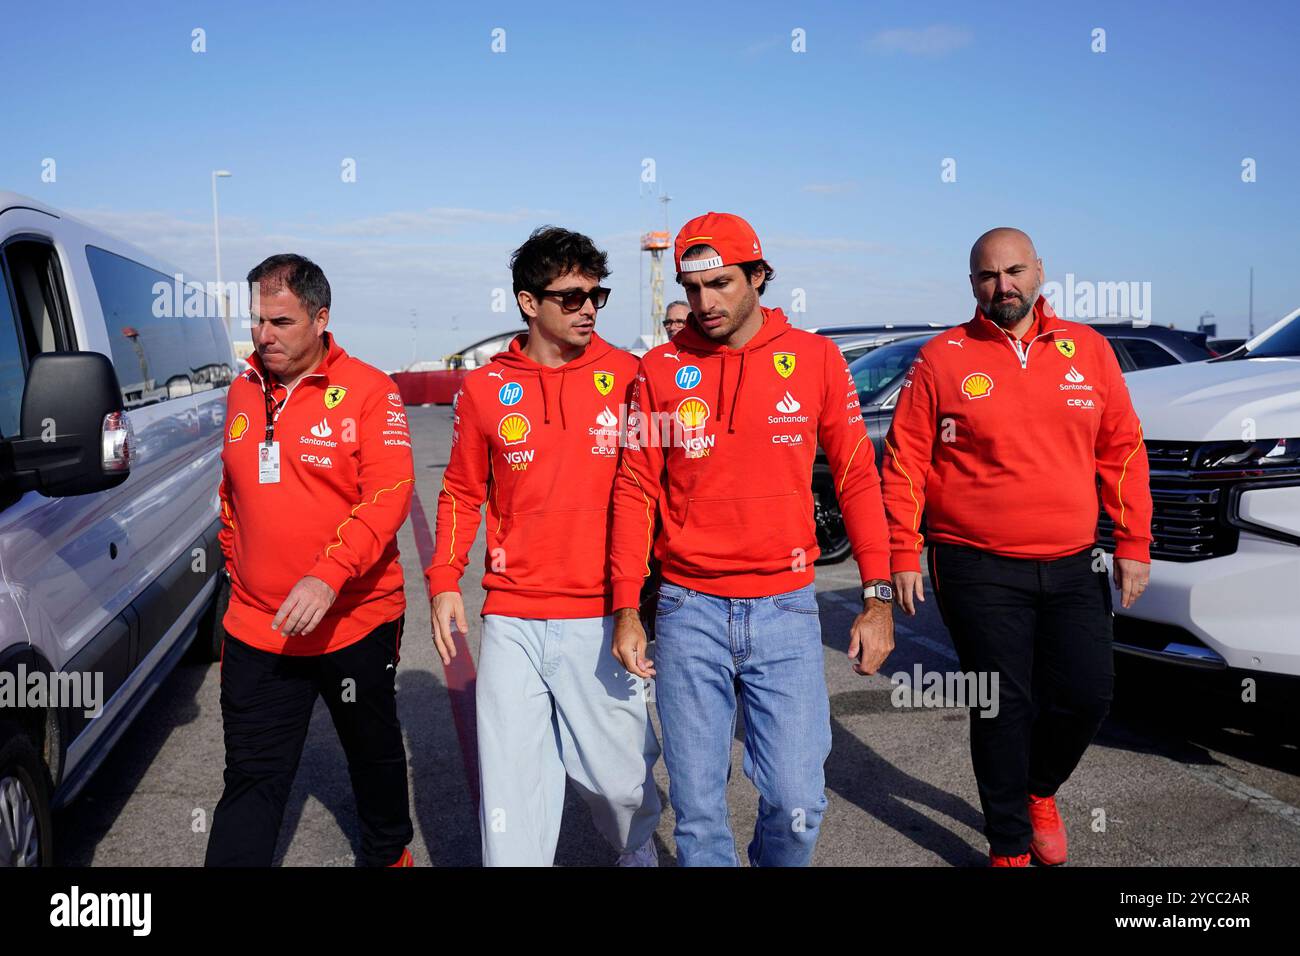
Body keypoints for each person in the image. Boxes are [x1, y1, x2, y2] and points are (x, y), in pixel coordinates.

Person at [610, 211, 895, 866]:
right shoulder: (657, 370)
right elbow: (634, 492)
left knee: (799, 802)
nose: (705, 302)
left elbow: (856, 479)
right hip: (687, 612)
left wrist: (877, 599)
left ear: (759, 276)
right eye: (692, 286)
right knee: (699, 809)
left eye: (721, 283)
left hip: (787, 611)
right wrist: (628, 607)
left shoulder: (817, 359)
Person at [882, 227, 1153, 866]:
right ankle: (1008, 845)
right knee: (1002, 704)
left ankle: (1039, 791)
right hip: (974, 562)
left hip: (1073, 559)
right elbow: (905, 460)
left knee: (1088, 694)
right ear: (971, 283)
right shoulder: (942, 358)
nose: (1001, 286)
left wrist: (1133, 541)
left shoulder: (1087, 350)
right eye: (986, 276)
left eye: (1013, 272)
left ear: (1039, 272)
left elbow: (1123, 450)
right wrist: (901, 550)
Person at [427, 227, 662, 867]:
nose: (588, 307)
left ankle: (635, 845)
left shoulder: (630, 376)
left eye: (597, 294)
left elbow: (656, 490)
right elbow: (459, 492)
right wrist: (445, 577)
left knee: (620, 787)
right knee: (512, 796)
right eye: (572, 295)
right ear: (529, 303)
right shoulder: (482, 390)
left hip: (604, 614)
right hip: (513, 616)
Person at [206, 254, 416, 867]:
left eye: (280, 322)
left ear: (321, 319)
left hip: (353, 620)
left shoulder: (372, 392)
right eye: (255, 321)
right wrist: (238, 569)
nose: (263, 336)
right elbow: (231, 493)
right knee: (251, 776)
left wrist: (328, 576)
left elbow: (388, 495)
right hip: (257, 626)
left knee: (371, 754)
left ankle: (388, 852)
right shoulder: (243, 387)